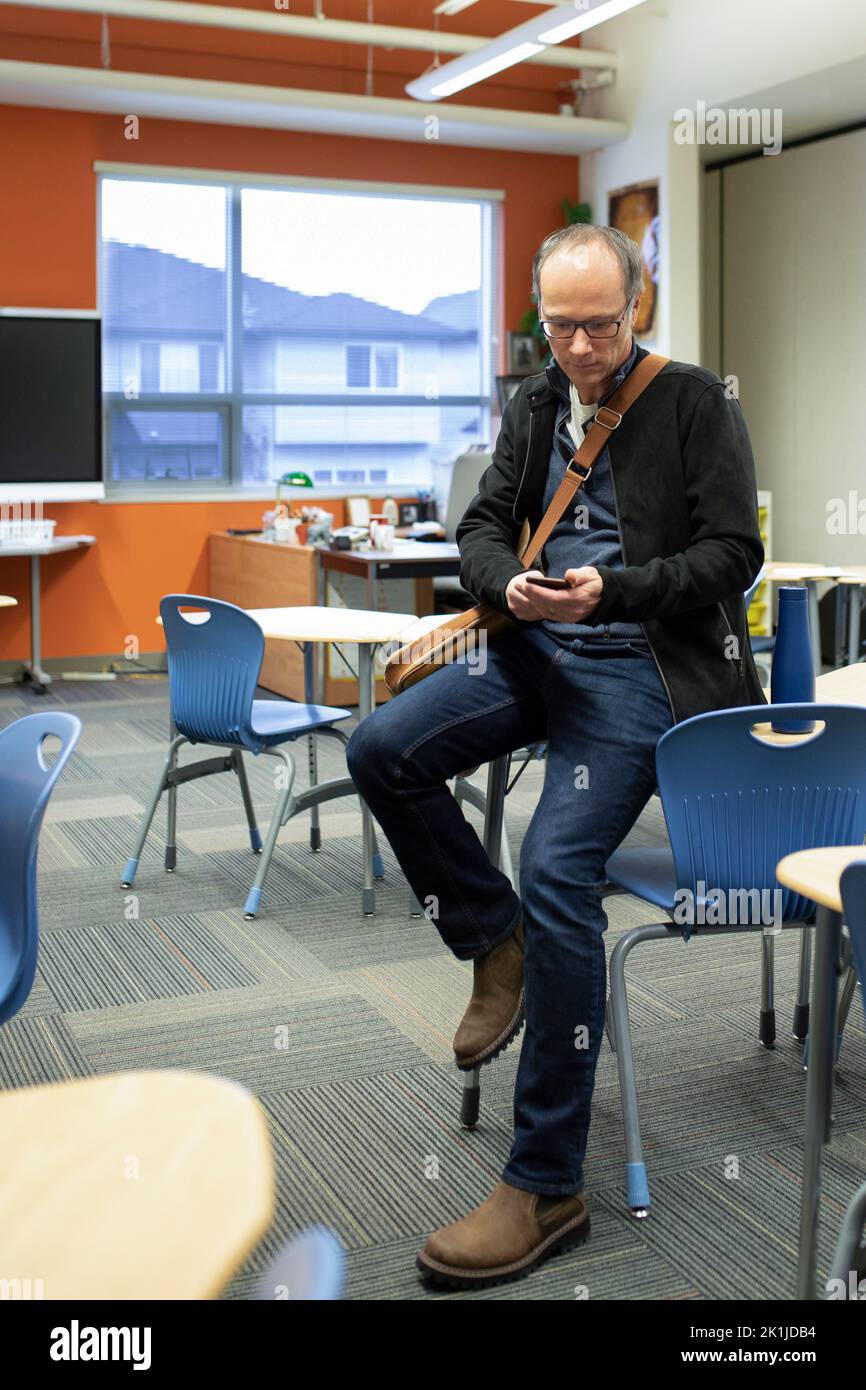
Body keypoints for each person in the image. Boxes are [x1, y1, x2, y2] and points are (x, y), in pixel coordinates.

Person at [345, 223, 765, 1291]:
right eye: (559, 326)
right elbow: (481, 525)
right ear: (537, 317)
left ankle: (545, 1183)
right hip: (534, 647)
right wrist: (507, 583)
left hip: (641, 668)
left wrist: (610, 590)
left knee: (557, 868)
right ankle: (493, 942)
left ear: (640, 307)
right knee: (381, 747)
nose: (578, 348)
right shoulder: (533, 401)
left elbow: (734, 554)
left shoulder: (695, 402)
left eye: (601, 324)